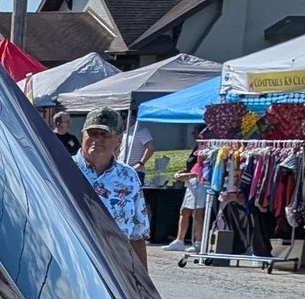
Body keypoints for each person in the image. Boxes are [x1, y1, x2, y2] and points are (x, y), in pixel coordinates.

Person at [76, 110, 150, 259]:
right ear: (82, 135)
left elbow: (137, 235)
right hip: (73, 262)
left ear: (119, 140)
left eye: (104, 134)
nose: (97, 139)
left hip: (115, 264)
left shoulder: (129, 176)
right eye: (92, 133)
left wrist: (142, 281)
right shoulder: (62, 169)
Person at [164, 157, 209, 252]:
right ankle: (179, 240)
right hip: (190, 183)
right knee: (184, 211)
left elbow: (206, 168)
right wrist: (182, 173)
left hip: (201, 182)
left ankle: (199, 242)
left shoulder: (207, 149)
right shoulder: (196, 150)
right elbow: (191, 166)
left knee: (197, 213)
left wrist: (189, 175)